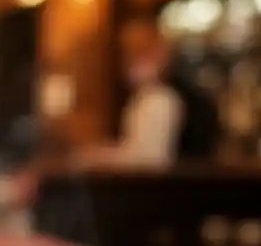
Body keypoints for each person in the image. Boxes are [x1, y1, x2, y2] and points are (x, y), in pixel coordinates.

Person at [83, 19, 220, 167]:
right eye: (128, 54)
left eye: (141, 51)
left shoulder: (162, 98)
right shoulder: (146, 96)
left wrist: (99, 157)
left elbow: (148, 161)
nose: (130, 61)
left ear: (161, 51)